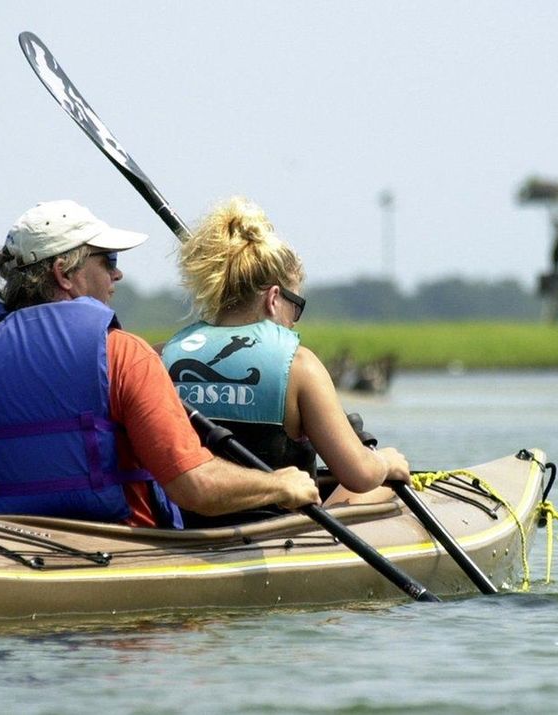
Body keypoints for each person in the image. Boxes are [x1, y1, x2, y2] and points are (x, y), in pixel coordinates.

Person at [0, 200, 318, 528]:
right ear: (64, 273)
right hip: (124, 545)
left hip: (3, 539)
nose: (118, 272)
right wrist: (279, 485)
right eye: (107, 260)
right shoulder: (125, 354)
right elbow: (194, 488)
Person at [161, 196, 410, 524]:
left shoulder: (158, 356)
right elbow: (359, 475)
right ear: (274, 298)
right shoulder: (300, 365)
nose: (295, 321)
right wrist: (387, 462)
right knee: (382, 486)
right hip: (276, 531)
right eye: (297, 306)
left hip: (181, 530)